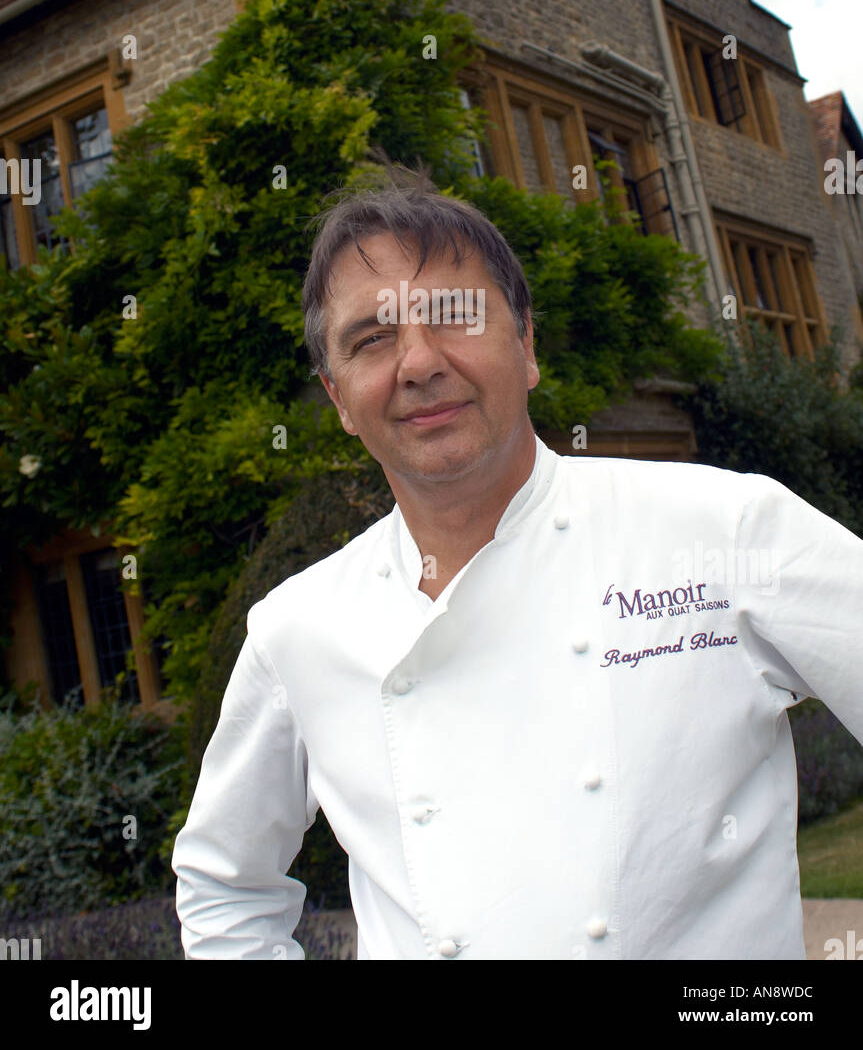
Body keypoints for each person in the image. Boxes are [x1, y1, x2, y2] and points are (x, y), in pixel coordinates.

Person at [172, 174, 863, 960]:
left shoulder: (724, 531)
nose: (418, 362)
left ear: (526, 345)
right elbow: (223, 887)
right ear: (337, 399)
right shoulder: (295, 629)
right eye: (371, 339)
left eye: (455, 317)